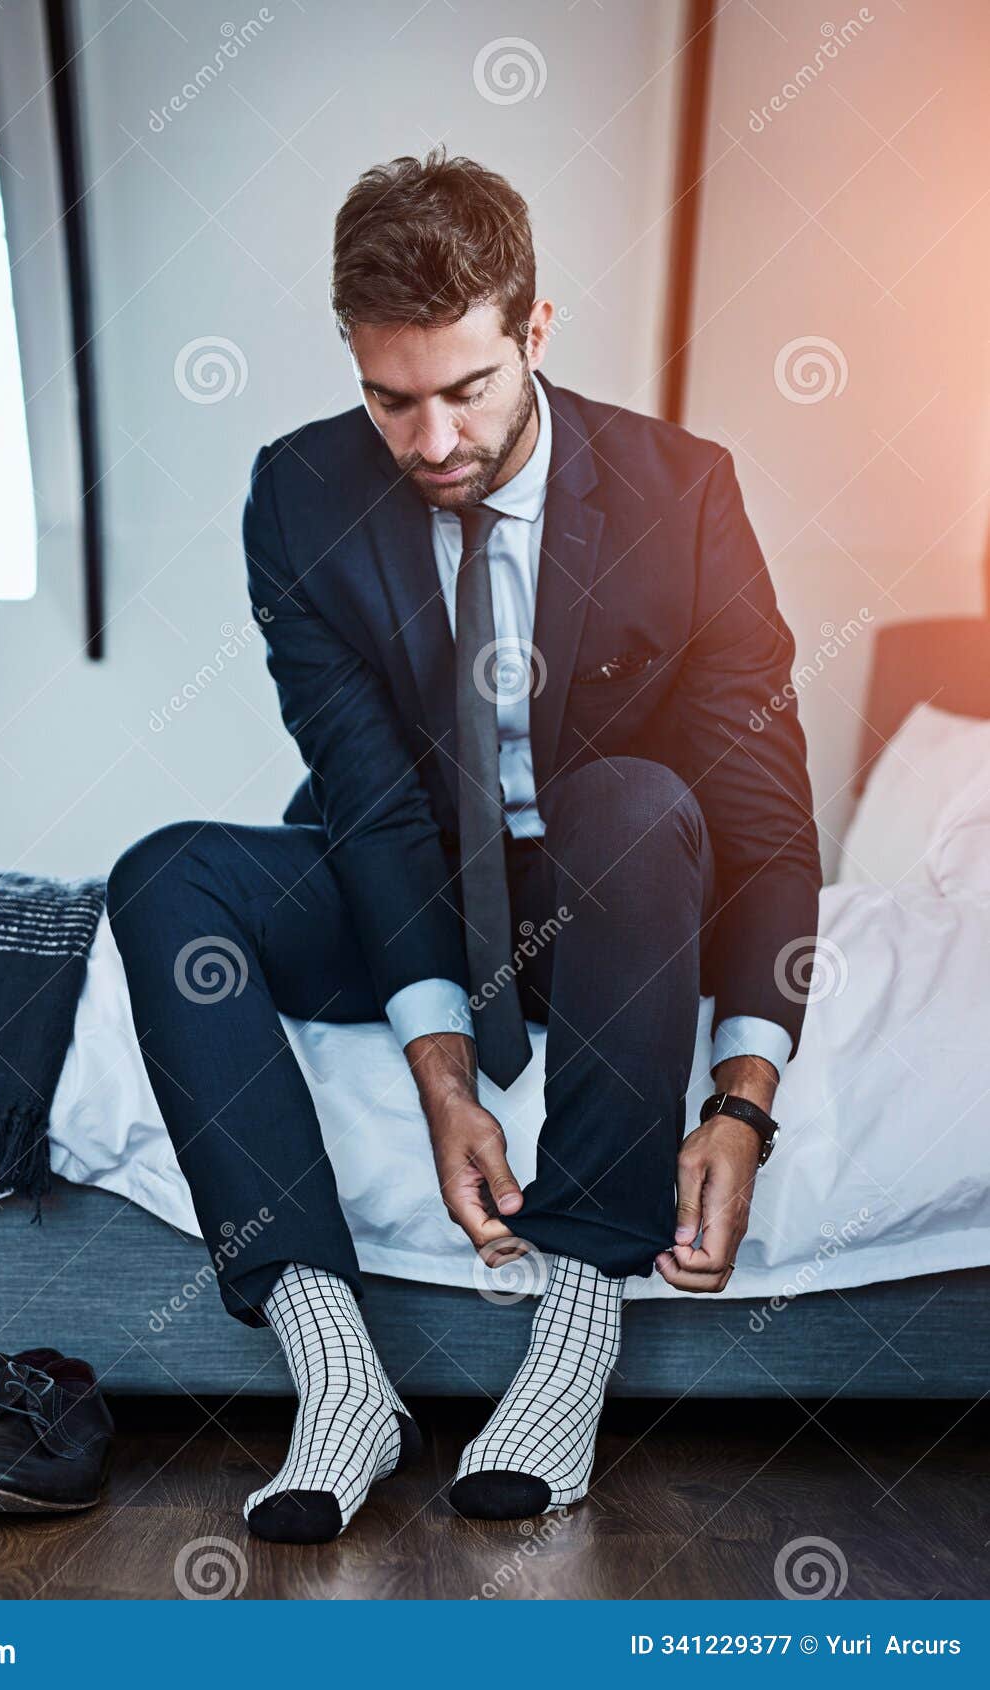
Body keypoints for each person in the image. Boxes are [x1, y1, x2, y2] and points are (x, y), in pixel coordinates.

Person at [106, 150, 821, 1543]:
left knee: (633, 798)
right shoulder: (298, 494)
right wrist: (441, 1075)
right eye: (390, 398)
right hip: (412, 892)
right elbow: (365, 794)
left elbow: (762, 810)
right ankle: (335, 1372)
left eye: (466, 390)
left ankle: (571, 1332)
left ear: (534, 333)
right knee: (166, 872)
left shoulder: (681, 491)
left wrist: (739, 1097)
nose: (429, 440)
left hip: (619, 901)